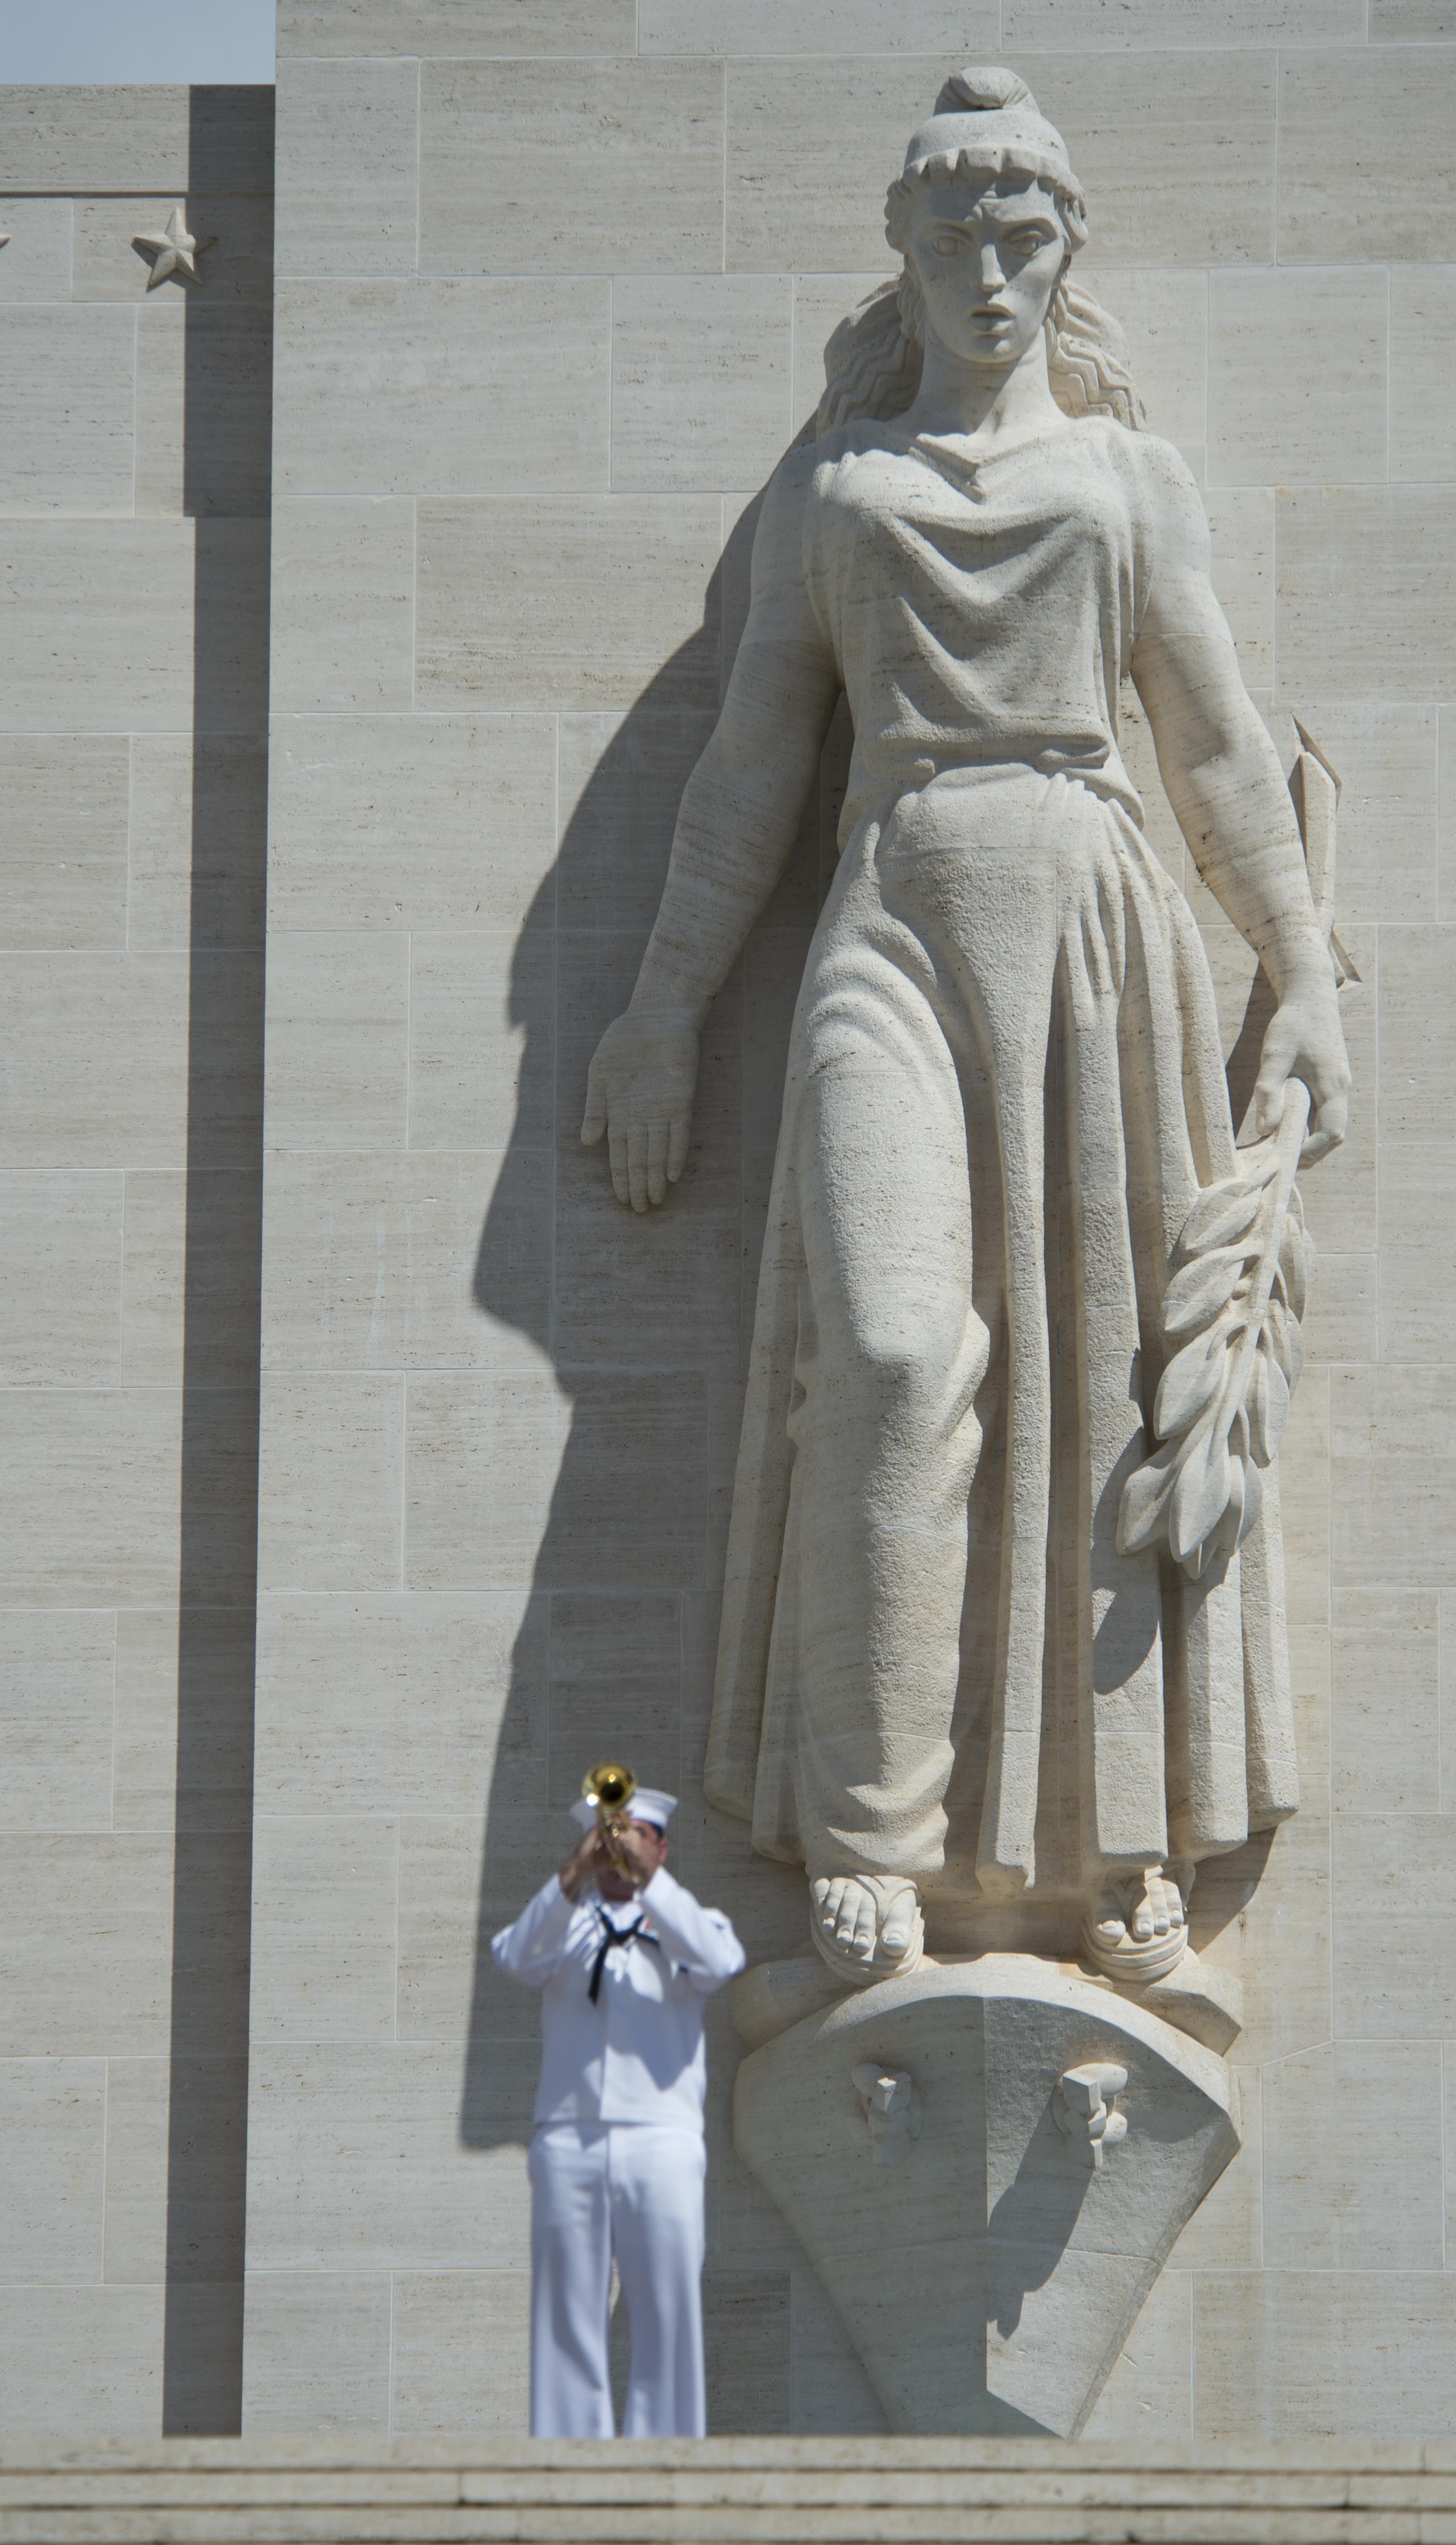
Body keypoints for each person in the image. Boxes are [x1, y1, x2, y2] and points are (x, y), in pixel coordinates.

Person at [579, 69, 1351, 1989]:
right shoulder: (835, 491)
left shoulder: (1127, 483)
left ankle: (1114, 1850)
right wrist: (661, 1009)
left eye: (1019, 239)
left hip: (1091, 926)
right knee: (889, 1353)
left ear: (1063, 253)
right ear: (901, 255)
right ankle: (869, 1841)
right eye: (952, 240)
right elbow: (748, 770)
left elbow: (1214, 747)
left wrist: (1300, 973)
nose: (988, 274)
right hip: (894, 920)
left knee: (1103, 1377)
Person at [491, 1788, 746, 2439]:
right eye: (609, 1838)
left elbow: (720, 1963)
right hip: (569, 2134)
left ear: (660, 1846)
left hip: (661, 2137)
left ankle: (666, 2456)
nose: (619, 1852)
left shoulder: (689, 1921)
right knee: (565, 2309)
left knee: (668, 2307)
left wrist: (652, 1882)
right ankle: (568, 2457)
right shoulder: (564, 1923)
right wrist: (574, 1872)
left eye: (634, 1836)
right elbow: (514, 1956)